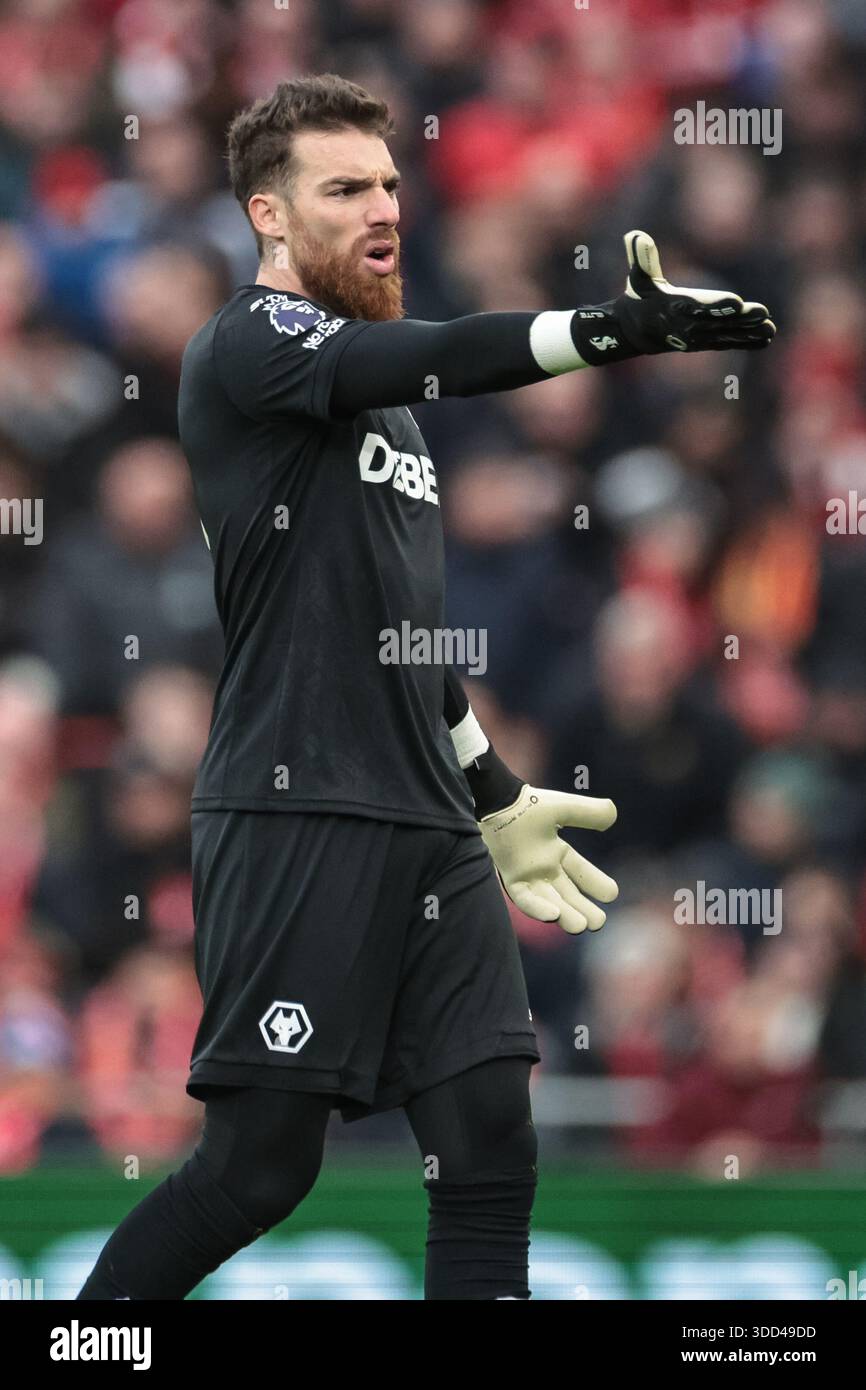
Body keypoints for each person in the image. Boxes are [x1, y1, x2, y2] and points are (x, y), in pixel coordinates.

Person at [77, 73, 775, 1301]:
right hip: (295, 809)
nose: (382, 206)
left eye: (390, 182)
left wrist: (496, 798)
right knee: (258, 1168)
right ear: (269, 218)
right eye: (343, 188)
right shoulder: (250, 344)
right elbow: (447, 350)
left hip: (427, 826)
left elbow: (400, 638)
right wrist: (603, 332)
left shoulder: (383, 408)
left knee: (489, 1139)